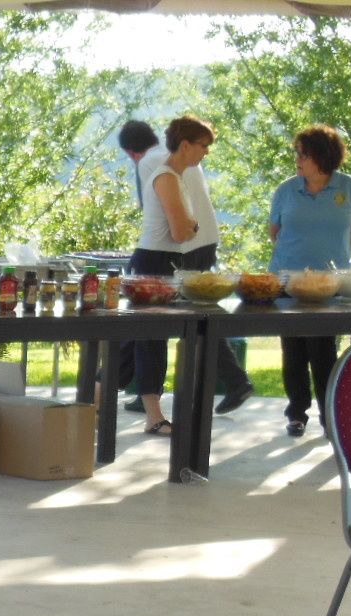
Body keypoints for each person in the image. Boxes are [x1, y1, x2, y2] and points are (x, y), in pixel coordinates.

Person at [116, 120, 253, 417]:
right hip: (196, 246)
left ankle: (117, 388)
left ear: (131, 152)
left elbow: (167, 220)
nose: (205, 153)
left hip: (176, 251)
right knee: (174, 322)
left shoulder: (159, 164)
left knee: (162, 325)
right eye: (204, 146)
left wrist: (186, 227)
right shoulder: (172, 163)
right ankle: (132, 389)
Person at [269, 124, 351, 437]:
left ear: (323, 156)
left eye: (304, 154)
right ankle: (296, 413)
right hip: (287, 281)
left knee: (323, 348)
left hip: (329, 285)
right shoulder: (286, 189)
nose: (297, 159)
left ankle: (330, 418)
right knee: (293, 350)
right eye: (297, 153)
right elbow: (275, 231)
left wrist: (335, 257)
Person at [127, 116, 217, 436]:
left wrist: (191, 223)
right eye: (203, 146)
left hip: (167, 262)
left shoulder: (178, 176)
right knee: (151, 340)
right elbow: (181, 231)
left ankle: (98, 399)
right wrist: (192, 223)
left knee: (140, 341)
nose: (206, 153)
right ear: (185, 145)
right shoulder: (166, 176)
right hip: (154, 262)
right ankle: (154, 415)